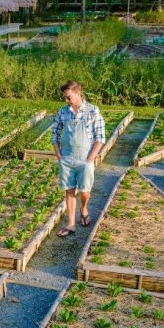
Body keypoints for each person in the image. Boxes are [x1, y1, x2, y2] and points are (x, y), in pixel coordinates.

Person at [52, 80, 105, 237]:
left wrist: (90, 159)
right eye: (65, 97)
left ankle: (84, 208)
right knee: (69, 191)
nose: (66, 100)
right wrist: (59, 155)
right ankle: (71, 224)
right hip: (67, 158)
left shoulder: (92, 111)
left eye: (68, 97)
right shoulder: (63, 112)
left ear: (78, 93)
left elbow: (100, 138)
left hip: (85, 158)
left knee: (84, 191)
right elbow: (55, 134)